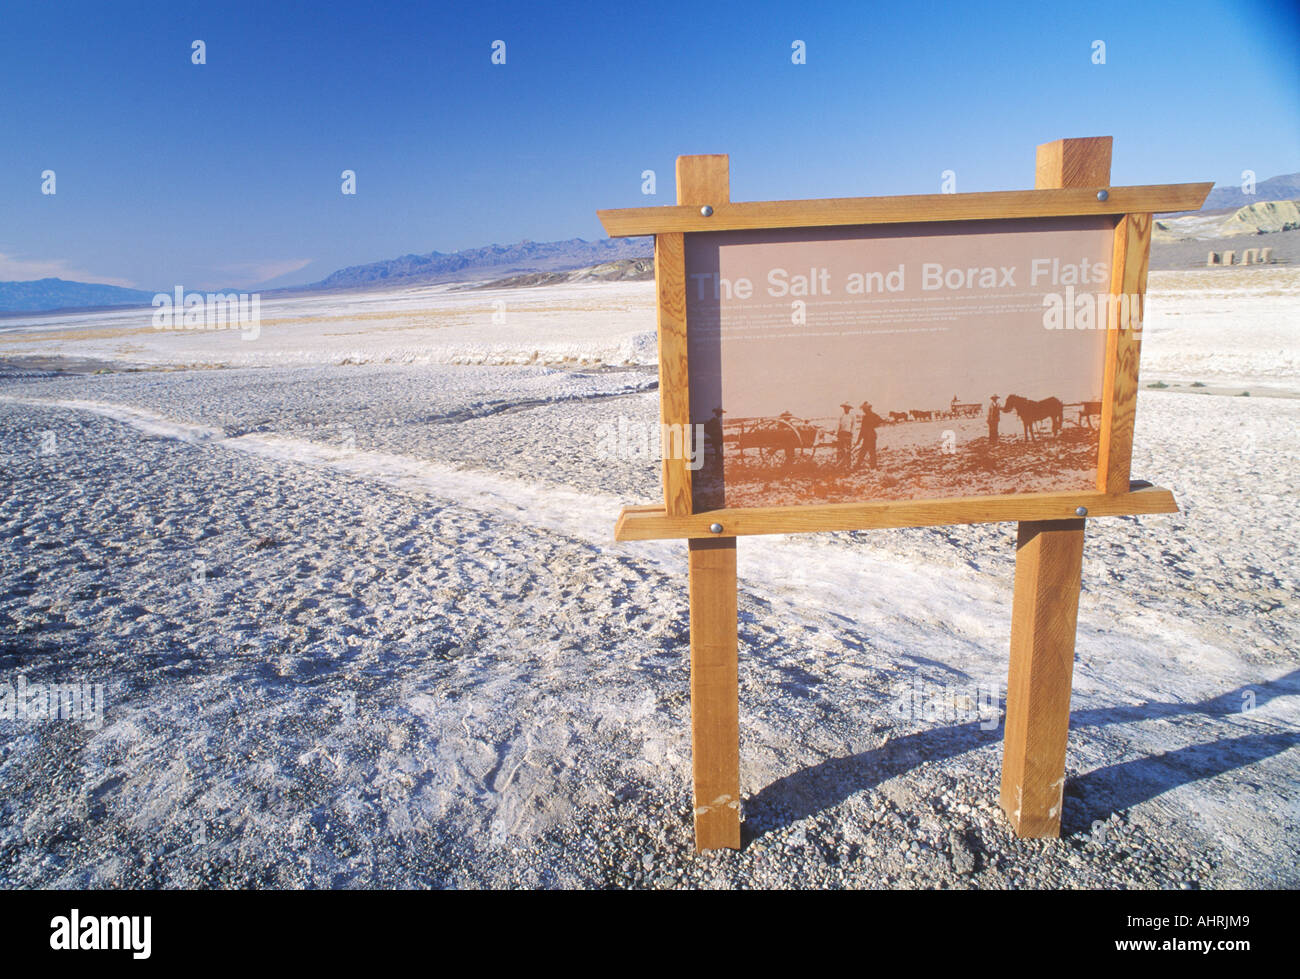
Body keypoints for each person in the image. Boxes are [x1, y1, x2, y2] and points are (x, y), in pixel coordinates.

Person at [855, 401, 885, 470]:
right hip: (871, 436)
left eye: (864, 409)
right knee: (871, 452)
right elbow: (881, 421)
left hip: (868, 436)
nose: (863, 410)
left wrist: (858, 440)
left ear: (867, 409)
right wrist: (874, 425)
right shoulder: (873, 415)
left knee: (863, 451)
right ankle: (873, 466)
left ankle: (858, 465)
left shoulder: (866, 417)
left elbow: (862, 430)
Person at [835, 402, 854, 467]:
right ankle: (839, 464)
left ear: (849, 409)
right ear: (843, 408)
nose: (846, 409)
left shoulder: (852, 416)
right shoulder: (841, 416)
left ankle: (848, 464)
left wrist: (852, 434)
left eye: (847, 408)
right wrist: (836, 433)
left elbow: (853, 426)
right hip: (841, 434)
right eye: (845, 408)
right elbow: (838, 425)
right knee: (840, 450)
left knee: (848, 450)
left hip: (848, 434)